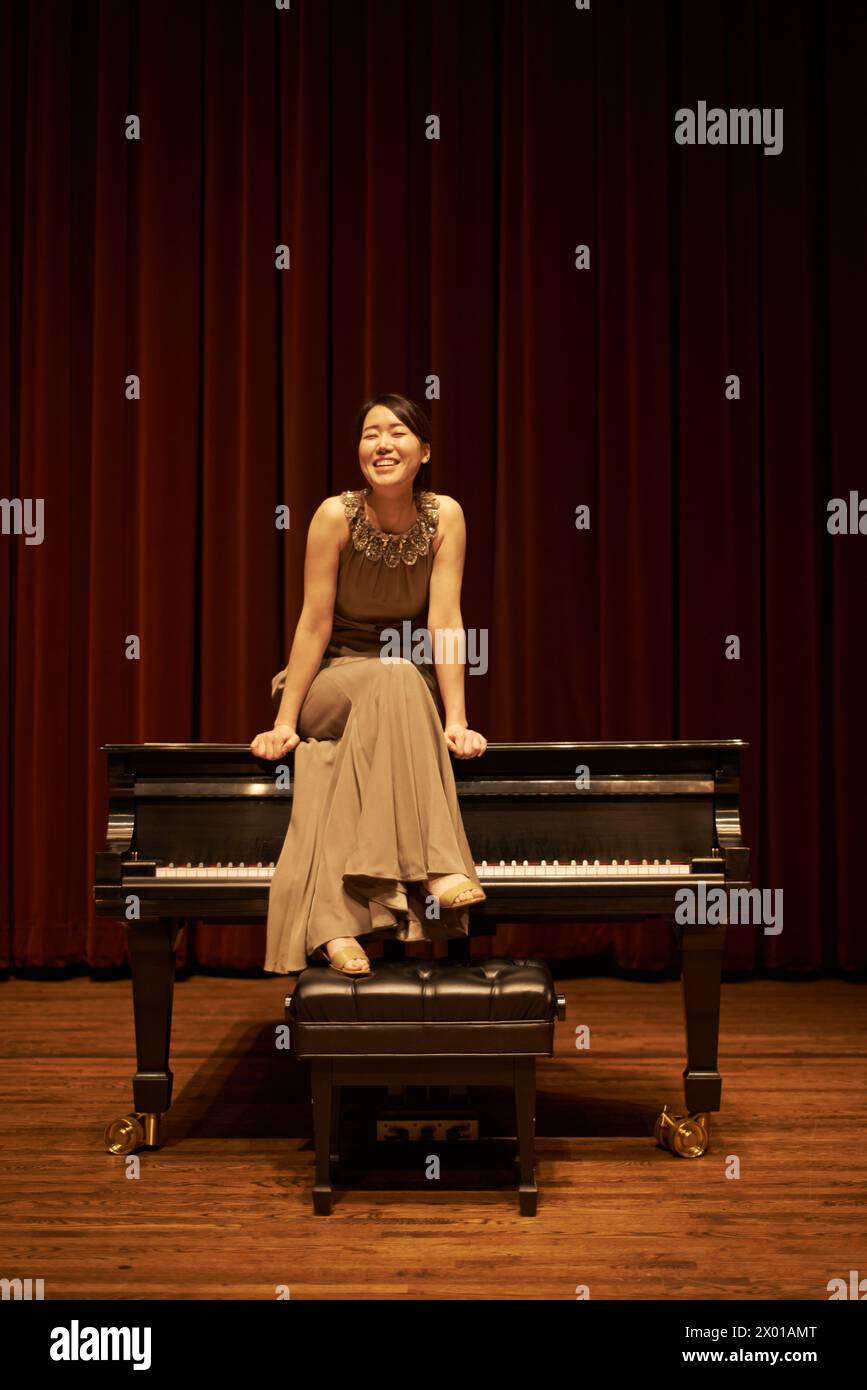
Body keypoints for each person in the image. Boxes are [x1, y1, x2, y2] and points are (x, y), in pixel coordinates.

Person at [250, 393, 487, 977]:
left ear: (424, 450)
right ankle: (436, 865)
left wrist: (455, 719)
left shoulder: (445, 516)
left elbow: (446, 622)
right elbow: (313, 622)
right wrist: (285, 722)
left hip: (402, 693)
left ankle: (335, 924)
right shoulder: (335, 515)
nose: (382, 445)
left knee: (394, 686)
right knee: (398, 672)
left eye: (398, 433)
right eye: (370, 434)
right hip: (329, 683)